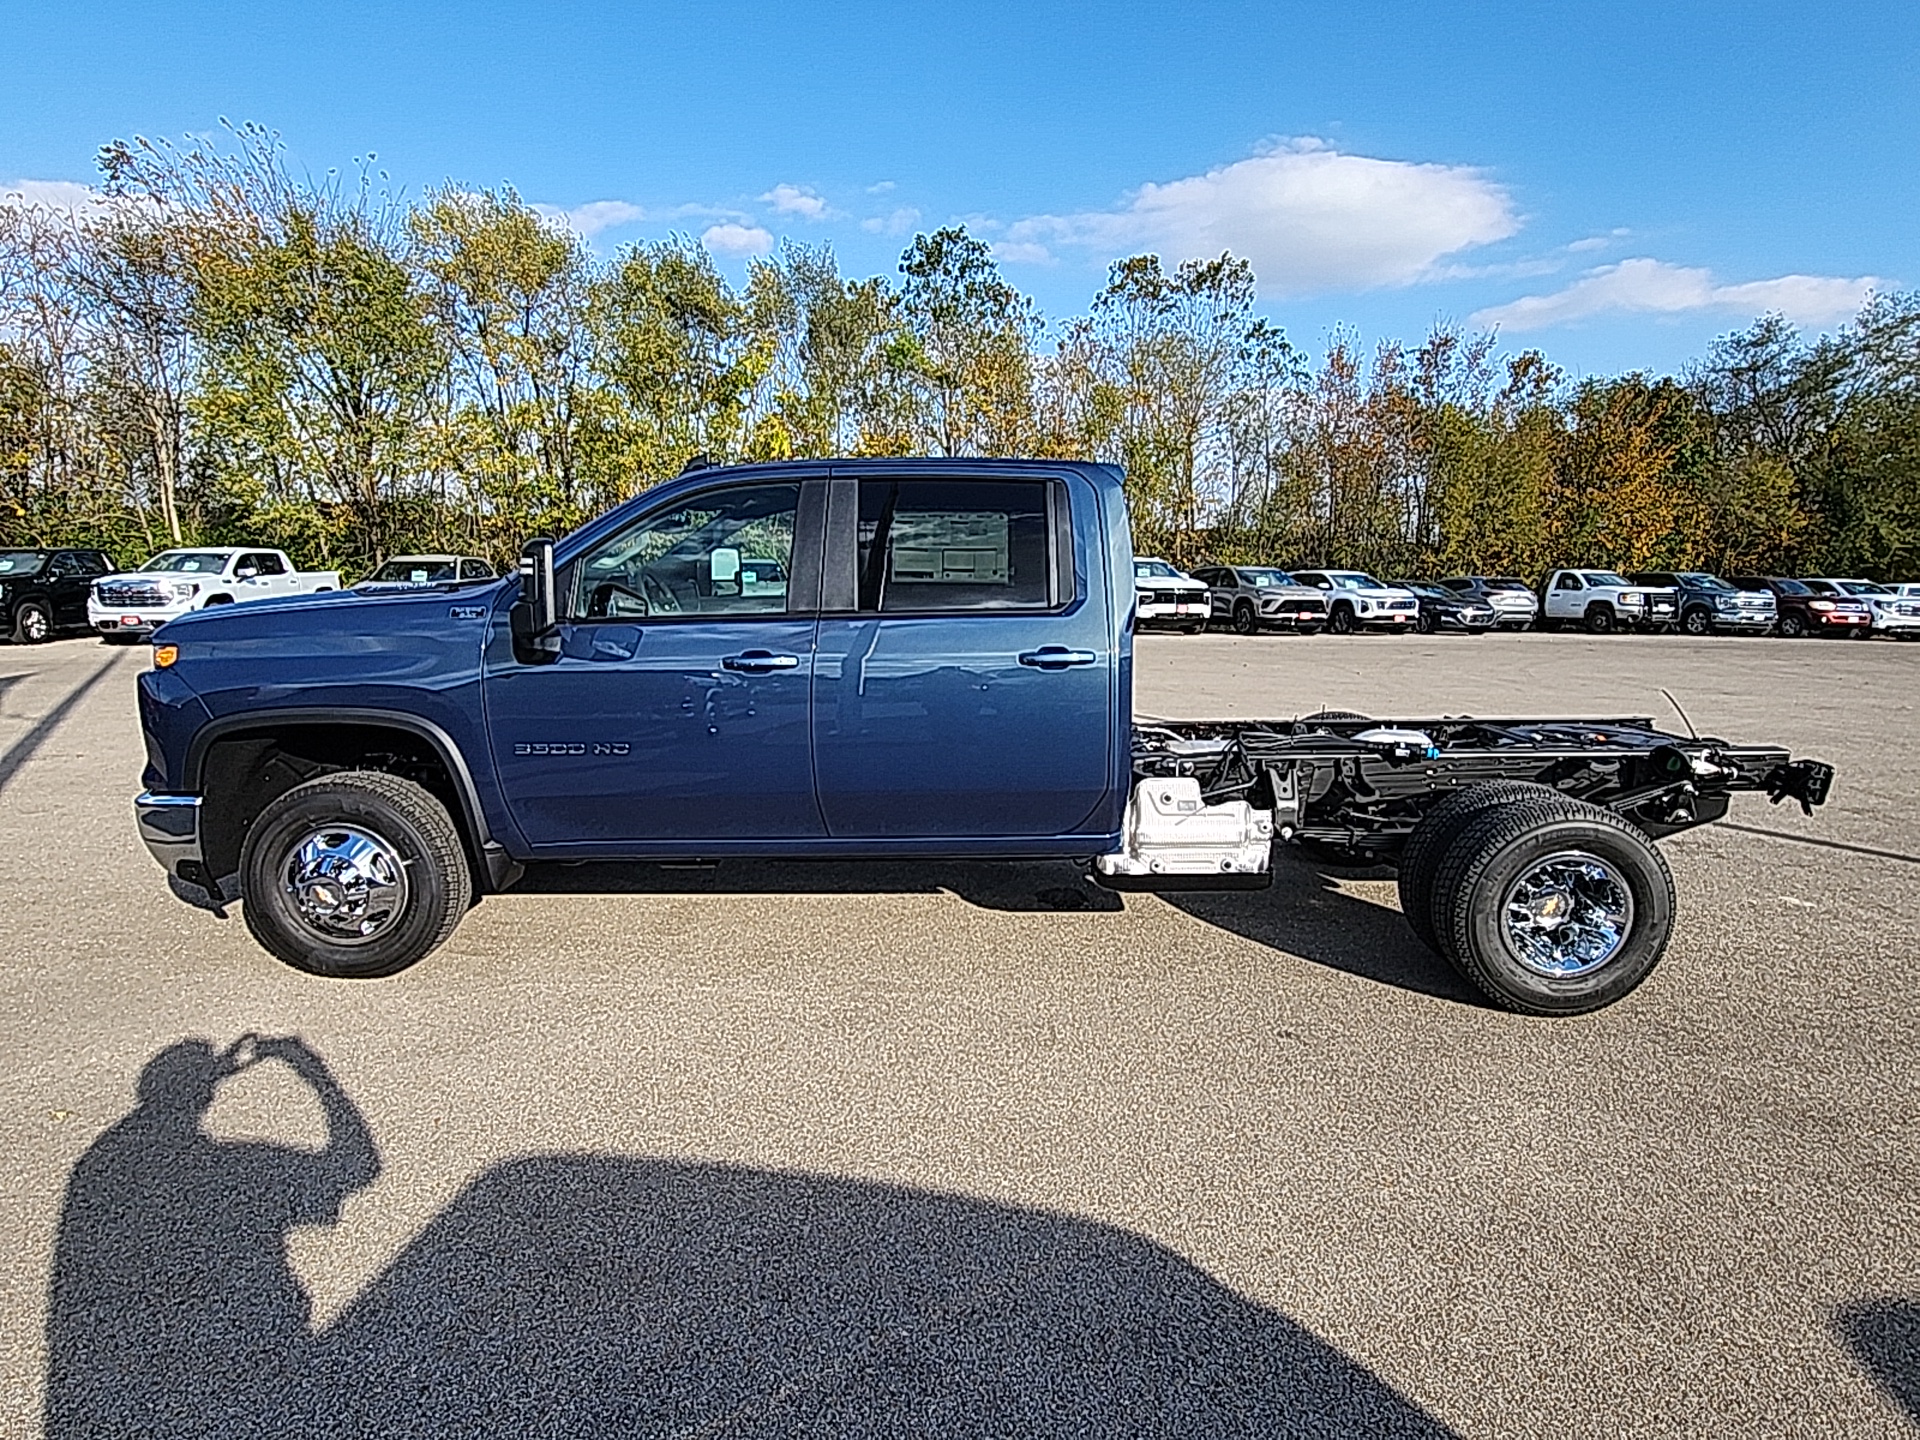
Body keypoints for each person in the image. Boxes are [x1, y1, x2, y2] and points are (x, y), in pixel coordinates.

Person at [45, 1035, 379, 1438]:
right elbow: (359, 1165)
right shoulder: (233, 1168)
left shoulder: (98, 1162)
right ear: (208, 1091)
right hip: (252, 1360)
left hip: (122, 1377)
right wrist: (312, 1072)